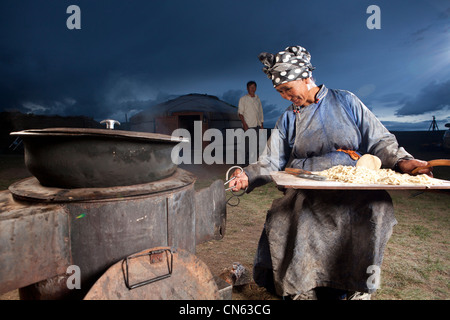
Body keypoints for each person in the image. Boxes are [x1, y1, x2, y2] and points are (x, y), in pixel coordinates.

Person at [228, 45, 432, 300]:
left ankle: (353, 287)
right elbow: (271, 161)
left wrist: (403, 162)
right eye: (280, 92)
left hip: (355, 186)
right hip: (308, 187)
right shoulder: (288, 119)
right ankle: (306, 289)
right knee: (293, 217)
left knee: (377, 209)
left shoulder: (346, 101)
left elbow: (379, 140)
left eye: (287, 89)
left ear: (305, 78)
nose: (284, 96)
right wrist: (247, 175)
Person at [237, 81, 265, 164]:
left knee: (254, 146)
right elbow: (240, 113)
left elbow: (260, 112)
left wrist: (262, 125)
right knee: (246, 146)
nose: (253, 89)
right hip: (248, 126)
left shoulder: (257, 99)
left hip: (257, 126)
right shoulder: (243, 99)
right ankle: (243, 164)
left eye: (254, 87)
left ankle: (252, 163)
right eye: (251, 87)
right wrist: (245, 125)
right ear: (247, 88)